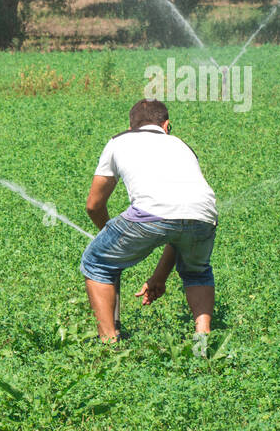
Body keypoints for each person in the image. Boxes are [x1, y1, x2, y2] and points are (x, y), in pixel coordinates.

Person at [80, 99, 217, 341]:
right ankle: (203, 342)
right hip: (204, 214)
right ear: (166, 125)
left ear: (132, 126)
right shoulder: (181, 145)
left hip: (150, 214)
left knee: (97, 263)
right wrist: (159, 278)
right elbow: (178, 227)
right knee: (197, 272)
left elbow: (94, 205)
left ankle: (110, 344)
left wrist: (111, 236)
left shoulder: (119, 141)